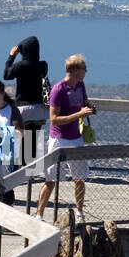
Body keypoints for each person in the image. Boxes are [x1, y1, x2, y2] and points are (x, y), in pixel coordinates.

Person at [36, 54, 95, 223]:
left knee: (79, 178)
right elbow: (54, 119)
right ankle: (39, 214)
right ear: (76, 70)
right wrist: (79, 114)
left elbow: (84, 102)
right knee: (51, 179)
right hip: (59, 138)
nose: (86, 72)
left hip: (76, 137)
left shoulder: (80, 85)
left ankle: (80, 211)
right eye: (84, 69)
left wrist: (88, 108)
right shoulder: (58, 90)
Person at [3, 36, 48, 164]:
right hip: (39, 109)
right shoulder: (43, 65)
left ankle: (19, 170)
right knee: (33, 142)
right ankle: (28, 169)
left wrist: (12, 56)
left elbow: (6, 75)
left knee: (19, 141)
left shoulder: (21, 65)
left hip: (23, 108)